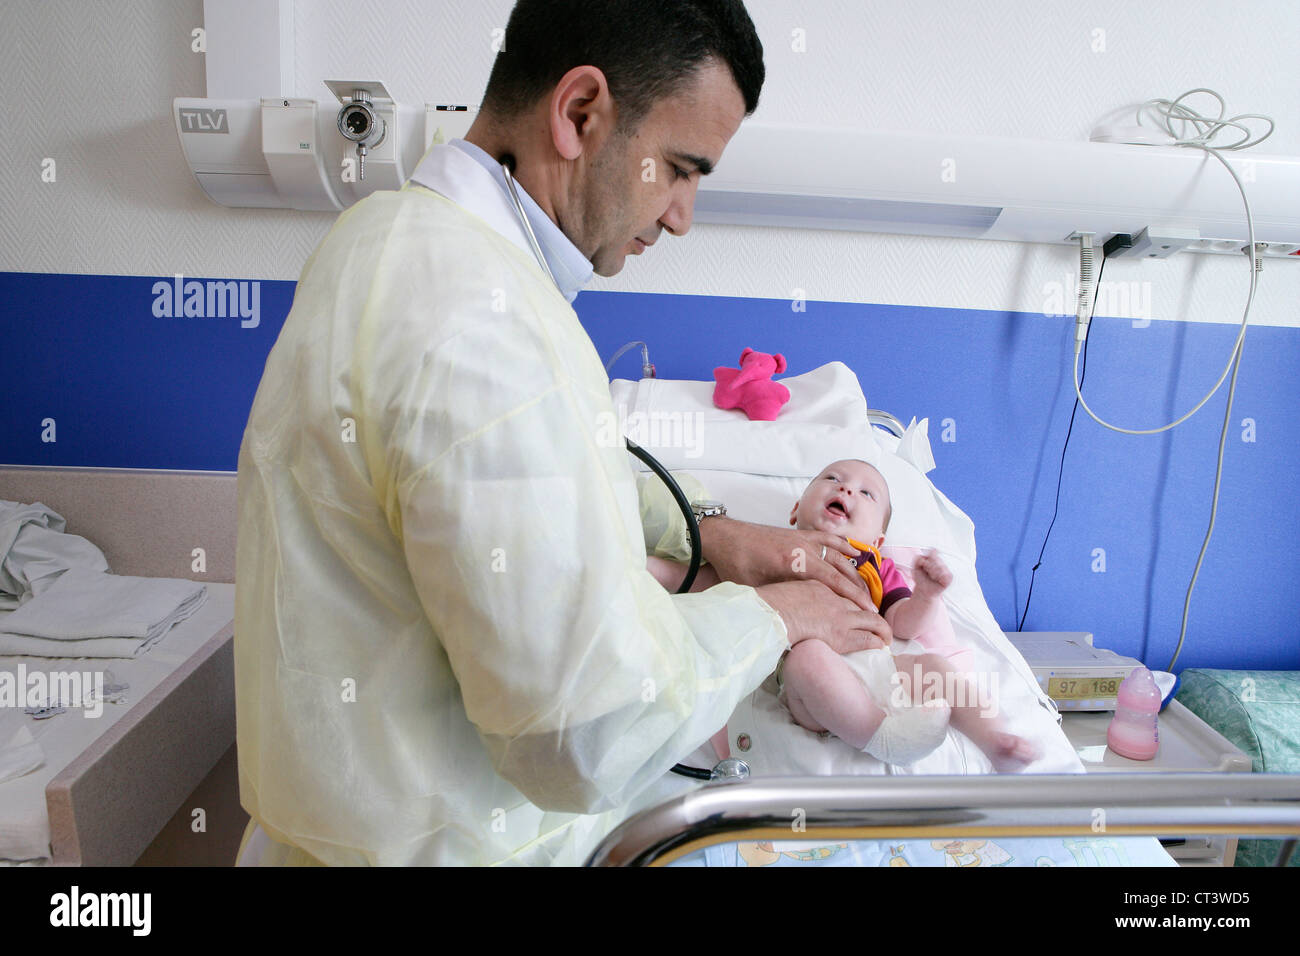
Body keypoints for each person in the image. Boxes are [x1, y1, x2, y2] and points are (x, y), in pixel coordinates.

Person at [233, 0, 891, 867]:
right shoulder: (482, 327)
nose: (684, 215)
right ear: (580, 113)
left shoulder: (383, 240)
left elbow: (548, 473)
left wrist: (709, 532)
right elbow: (585, 732)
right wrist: (773, 617)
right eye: (680, 169)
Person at [650, 459, 1039, 771]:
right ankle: (885, 738)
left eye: (866, 493)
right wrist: (648, 569)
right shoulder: (772, 552)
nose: (846, 489)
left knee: (934, 667)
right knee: (809, 658)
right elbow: (706, 582)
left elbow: (902, 624)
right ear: (795, 511)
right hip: (804, 684)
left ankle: (995, 741)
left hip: (878, 665)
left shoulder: (875, 566)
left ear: (878, 540)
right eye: (832, 478)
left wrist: (927, 595)